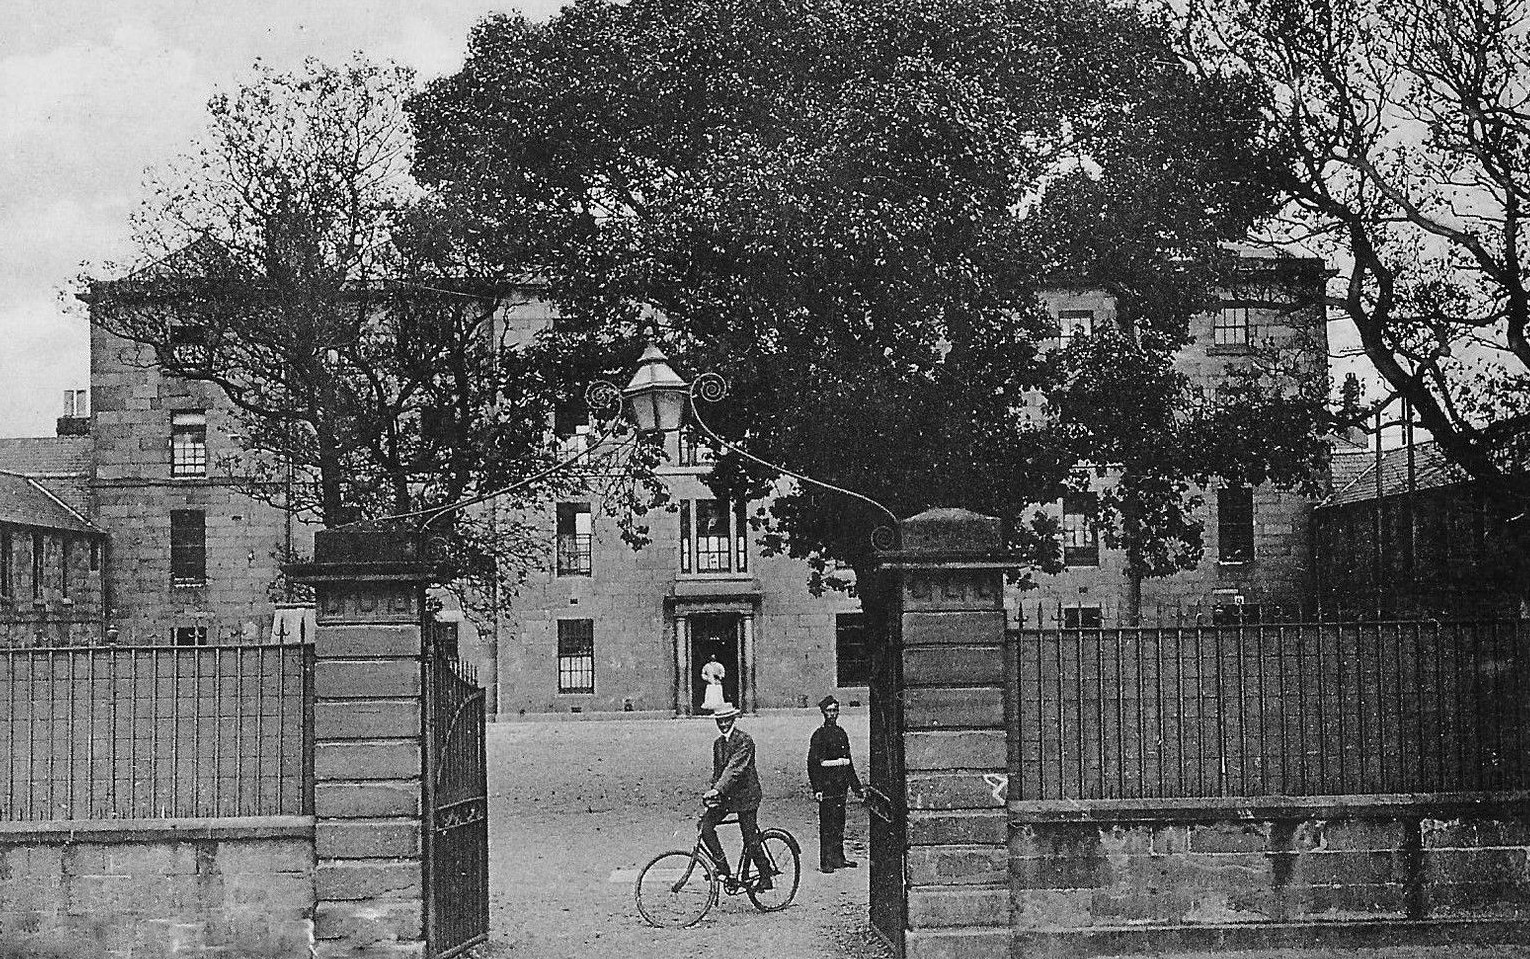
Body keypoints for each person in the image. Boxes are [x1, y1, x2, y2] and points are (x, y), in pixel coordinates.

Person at [700, 703, 773, 891]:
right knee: (705, 827)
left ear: (733, 719)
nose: (723, 724)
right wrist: (713, 798)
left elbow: (734, 769)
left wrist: (717, 790)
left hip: (746, 797)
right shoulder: (718, 744)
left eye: (726, 720)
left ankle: (765, 875)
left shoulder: (744, 740)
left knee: (750, 838)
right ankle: (723, 868)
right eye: (720, 720)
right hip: (726, 797)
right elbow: (719, 773)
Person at [807, 694, 864, 873]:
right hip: (827, 785)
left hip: (841, 785)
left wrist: (856, 786)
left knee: (839, 822)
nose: (832, 714)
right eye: (829, 711)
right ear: (823, 713)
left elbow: (849, 762)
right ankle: (826, 861)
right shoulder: (819, 735)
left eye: (835, 711)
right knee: (827, 823)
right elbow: (812, 764)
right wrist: (817, 788)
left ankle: (839, 858)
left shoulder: (841, 733)